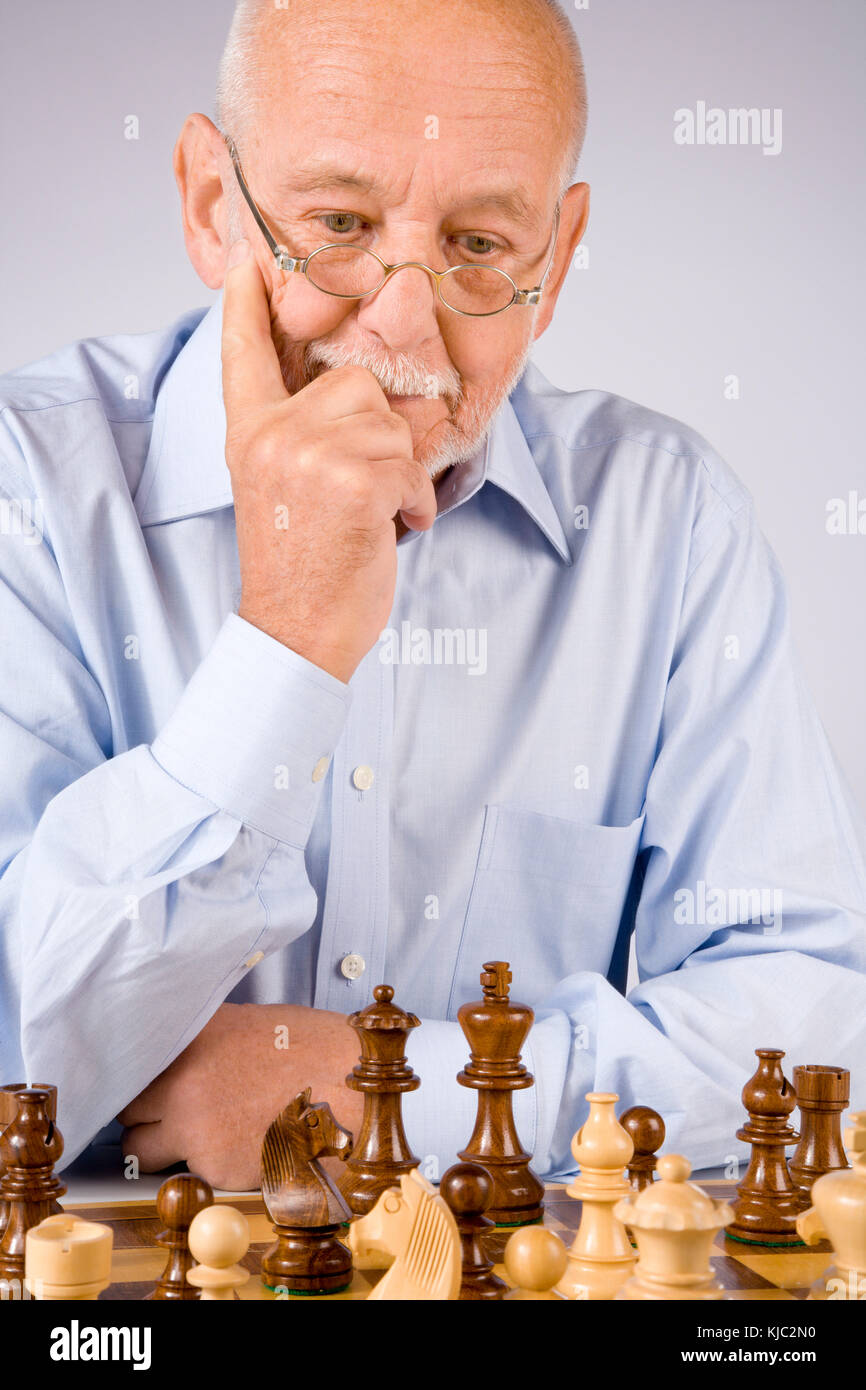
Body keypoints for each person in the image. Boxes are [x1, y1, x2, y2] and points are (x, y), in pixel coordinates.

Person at [1, 0, 864, 1191]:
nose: (403, 327)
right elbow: (17, 1052)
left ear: (551, 265)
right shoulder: (26, 492)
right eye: (340, 225)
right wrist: (287, 637)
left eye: (476, 247)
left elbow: (811, 1024)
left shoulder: (669, 523)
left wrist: (388, 1095)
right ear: (213, 206)